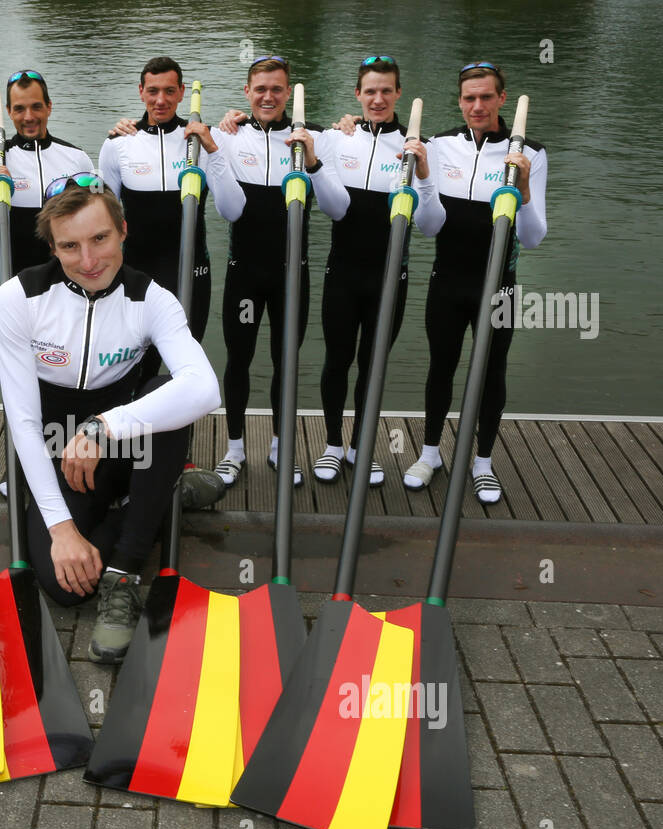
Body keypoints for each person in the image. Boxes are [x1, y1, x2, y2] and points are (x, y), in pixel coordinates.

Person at [0, 177, 221, 663]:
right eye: (70, 246)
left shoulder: (152, 299)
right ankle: (159, 495)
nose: (89, 260)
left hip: (119, 444)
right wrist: (61, 529)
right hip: (56, 448)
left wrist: (103, 427)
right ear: (53, 248)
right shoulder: (17, 299)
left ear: (122, 230)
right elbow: (24, 423)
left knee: (167, 391)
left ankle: (125, 571)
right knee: (65, 586)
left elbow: (205, 389)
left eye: (100, 239)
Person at [406, 61, 548, 504]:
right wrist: (425, 175)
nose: (478, 105)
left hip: (499, 285)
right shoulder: (440, 145)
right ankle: (430, 454)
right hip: (446, 281)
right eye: (469, 98)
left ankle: (483, 462)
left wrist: (522, 189)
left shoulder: (532, 153)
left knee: (491, 372)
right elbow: (428, 227)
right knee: (441, 368)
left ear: (502, 99)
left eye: (487, 97)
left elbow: (534, 236)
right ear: (460, 101)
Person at [211, 57, 350, 488]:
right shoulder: (227, 136)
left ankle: (279, 446)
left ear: (288, 93)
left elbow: (339, 209)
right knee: (239, 359)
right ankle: (234, 449)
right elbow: (227, 209)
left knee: (284, 362)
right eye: (260, 89)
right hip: (244, 275)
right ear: (247, 92)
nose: (268, 96)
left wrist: (311, 160)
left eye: (276, 89)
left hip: (292, 275)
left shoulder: (315, 138)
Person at [314, 56, 441, 486]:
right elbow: (330, 203)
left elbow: (431, 225)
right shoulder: (336, 138)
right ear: (357, 95)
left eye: (387, 90)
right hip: (342, 274)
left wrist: (422, 172)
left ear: (398, 94)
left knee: (372, 366)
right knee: (337, 360)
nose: (378, 98)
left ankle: (361, 446)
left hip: (391, 278)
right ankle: (333, 445)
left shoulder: (419, 145)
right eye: (370, 91)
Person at [98, 56, 245, 381]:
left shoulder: (201, 142)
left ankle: (180, 431)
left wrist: (212, 147)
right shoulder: (118, 144)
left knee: (186, 370)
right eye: (153, 91)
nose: (160, 100)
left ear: (181, 92)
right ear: (140, 92)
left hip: (192, 270)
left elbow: (233, 210)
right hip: (136, 272)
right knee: (136, 369)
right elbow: (101, 220)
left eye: (168, 91)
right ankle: (133, 431)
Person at [0, 70, 94, 274]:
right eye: (19, 109)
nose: (29, 117)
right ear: (9, 112)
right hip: (16, 286)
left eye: (36, 106)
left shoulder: (77, 158)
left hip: (70, 284)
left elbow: (95, 226)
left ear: (49, 107)